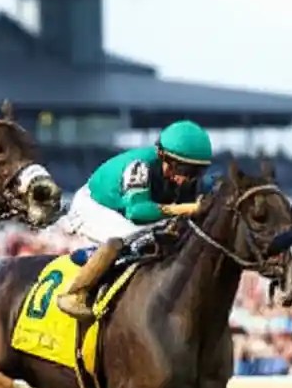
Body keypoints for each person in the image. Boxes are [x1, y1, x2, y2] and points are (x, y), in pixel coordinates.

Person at [55, 119, 213, 319]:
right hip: (94, 206)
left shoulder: (187, 180)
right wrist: (187, 208)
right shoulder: (140, 166)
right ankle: (76, 292)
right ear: (164, 157)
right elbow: (137, 213)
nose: (185, 180)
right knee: (127, 238)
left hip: (125, 209)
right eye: (183, 171)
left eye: (195, 173)